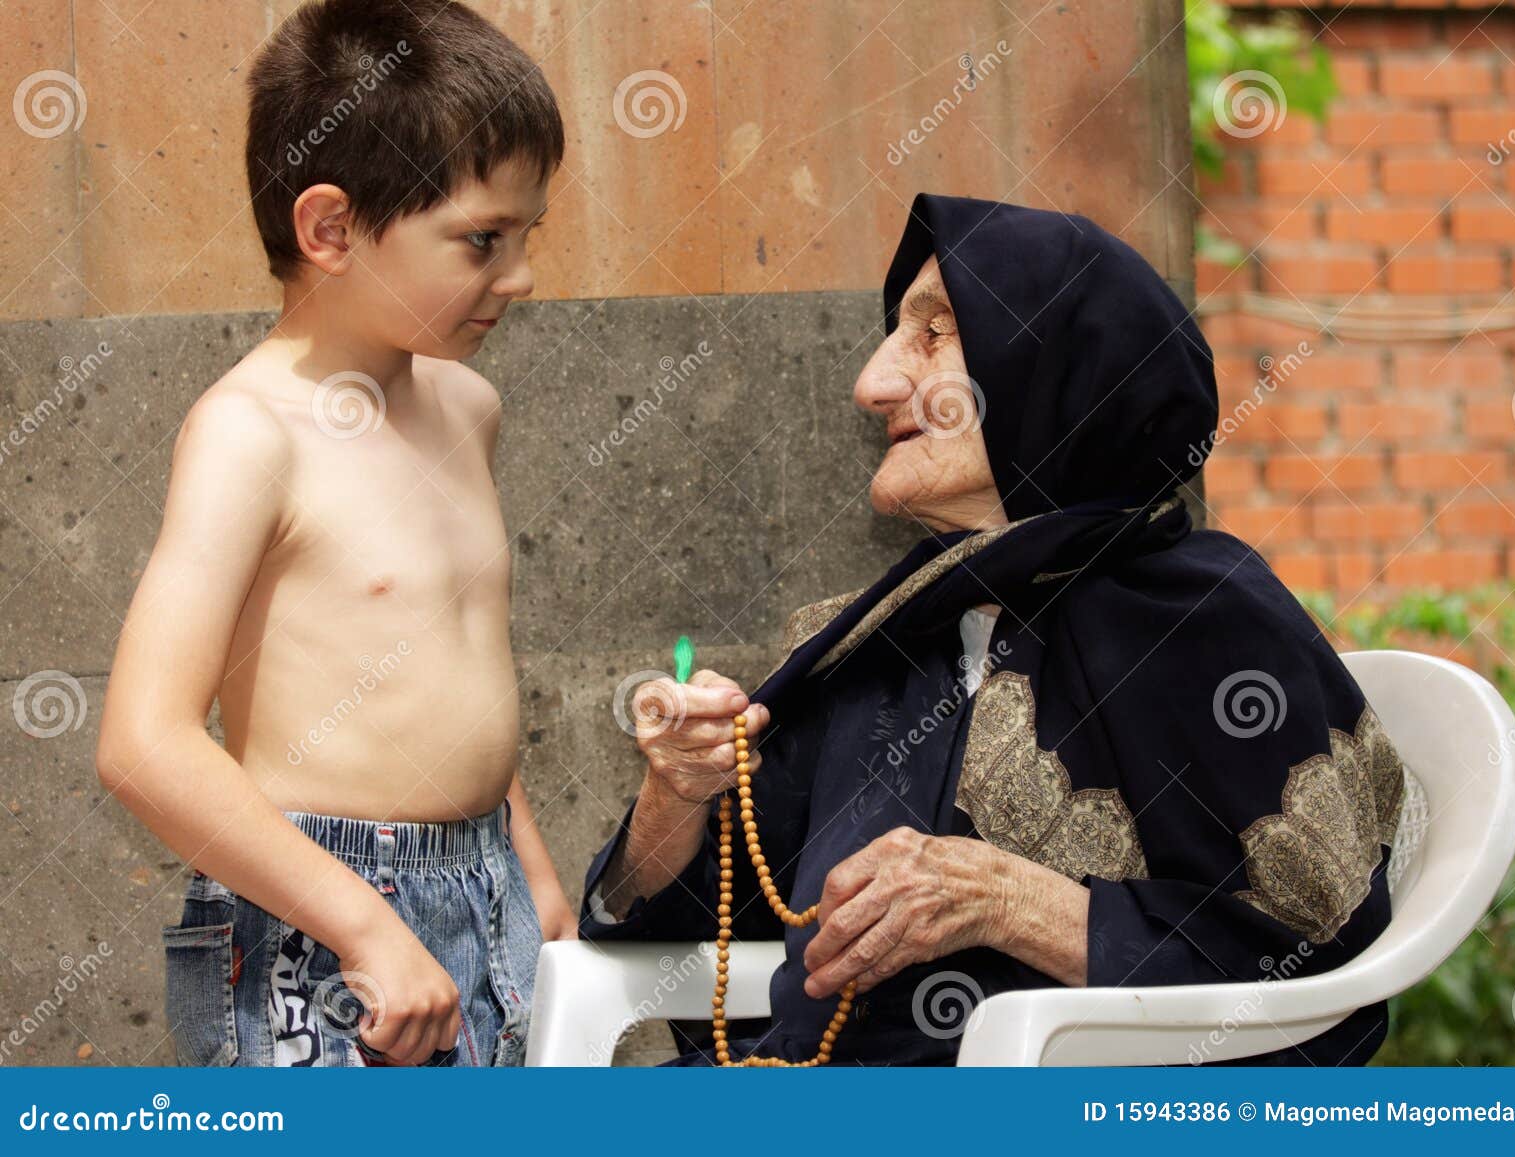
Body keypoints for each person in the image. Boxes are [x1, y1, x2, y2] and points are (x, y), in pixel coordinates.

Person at [580, 193, 1406, 1067]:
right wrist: (674, 798)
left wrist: (1009, 899)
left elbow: (1313, 950)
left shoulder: (1204, 618)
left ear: (1062, 367)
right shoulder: (879, 636)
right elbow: (705, 930)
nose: (873, 383)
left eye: (933, 334)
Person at [94, 0, 573, 1067]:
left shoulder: (464, 409)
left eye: (528, 234)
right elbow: (143, 740)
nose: (523, 275)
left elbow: (458, 663)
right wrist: (362, 922)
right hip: (322, 916)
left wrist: (526, 865)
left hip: (483, 882)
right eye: (482, 240)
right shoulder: (249, 433)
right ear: (330, 228)